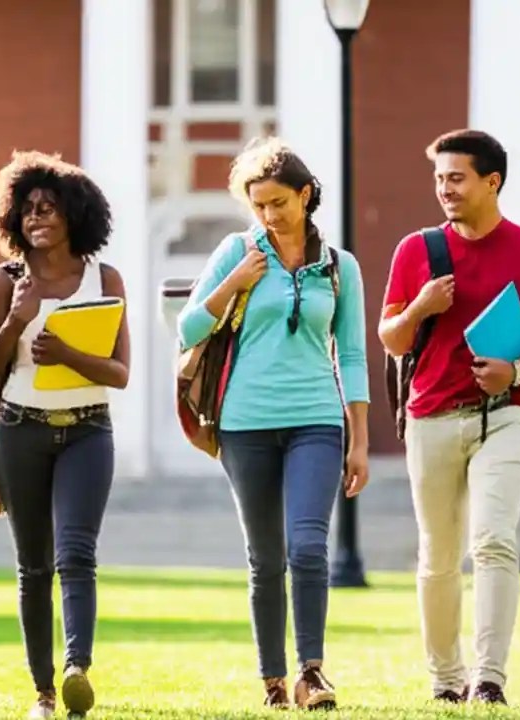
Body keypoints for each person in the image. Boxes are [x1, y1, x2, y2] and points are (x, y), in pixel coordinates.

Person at [377, 129, 520, 705]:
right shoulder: (415, 251)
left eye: (457, 177)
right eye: (439, 178)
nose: (445, 189)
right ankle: (445, 680)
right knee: (438, 554)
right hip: (431, 417)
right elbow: (391, 339)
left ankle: (488, 679)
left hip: (506, 414)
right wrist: (421, 307)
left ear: (492, 182)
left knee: (493, 540)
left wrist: (515, 372)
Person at [176, 137, 371, 711]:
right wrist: (234, 282)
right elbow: (187, 329)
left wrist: (359, 442)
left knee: (309, 546)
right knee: (265, 558)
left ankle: (313, 672)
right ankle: (272, 681)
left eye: (278, 203)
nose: (268, 216)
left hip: (316, 419)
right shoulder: (237, 251)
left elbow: (353, 355)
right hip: (244, 425)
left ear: (305, 196)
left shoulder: (340, 268)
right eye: (258, 205)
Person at [0, 150, 128, 720]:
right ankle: (41, 693)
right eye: (28, 208)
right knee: (33, 566)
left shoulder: (104, 278)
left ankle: (75, 671)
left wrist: (66, 353)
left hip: (88, 430)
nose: (36, 217)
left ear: (74, 216)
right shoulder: (5, 280)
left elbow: (120, 372)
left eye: (49, 207)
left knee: (77, 555)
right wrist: (16, 319)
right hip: (21, 432)